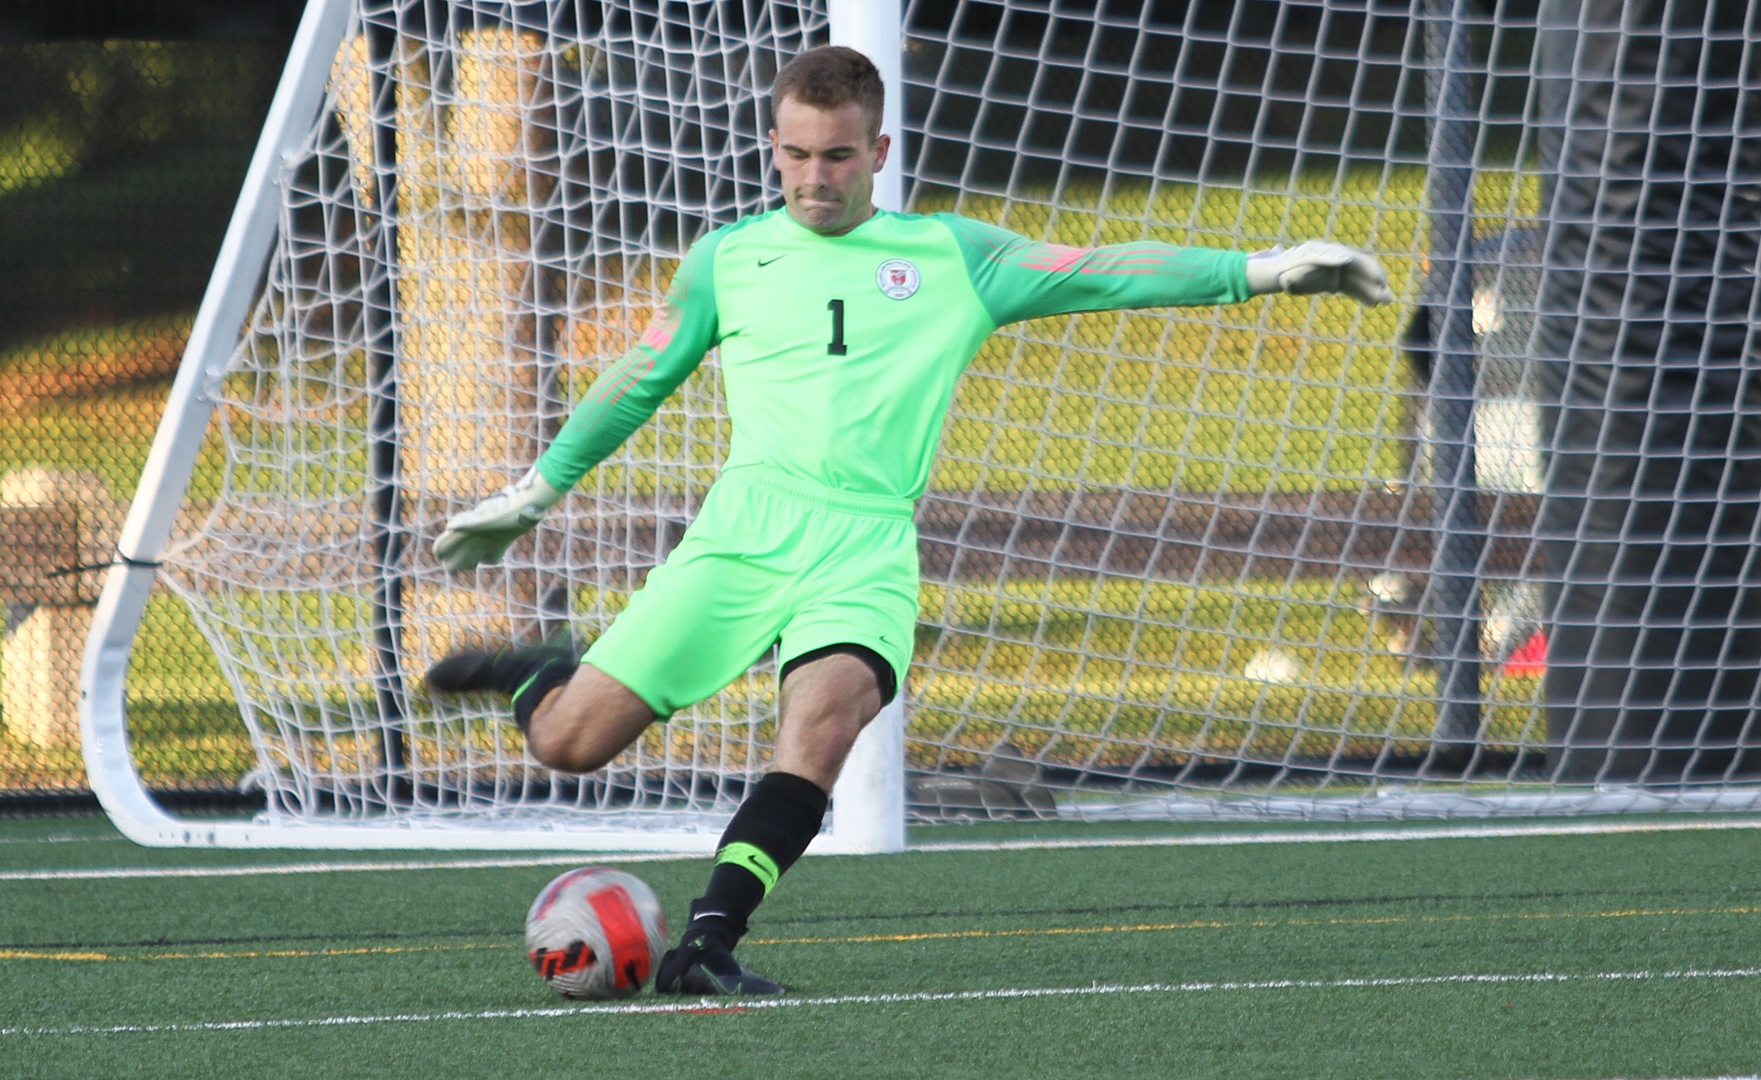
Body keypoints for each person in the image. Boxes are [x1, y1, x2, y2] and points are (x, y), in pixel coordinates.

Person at [428, 45, 1391, 995]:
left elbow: (1104, 269)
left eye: (838, 155)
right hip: (743, 534)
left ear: (878, 151)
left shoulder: (951, 257)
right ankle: (544, 675)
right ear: (773, 146)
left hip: (866, 545)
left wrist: (1265, 270)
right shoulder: (729, 259)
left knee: (823, 724)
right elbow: (639, 379)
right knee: (568, 744)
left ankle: (708, 942)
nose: (815, 177)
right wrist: (535, 494)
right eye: (797, 154)